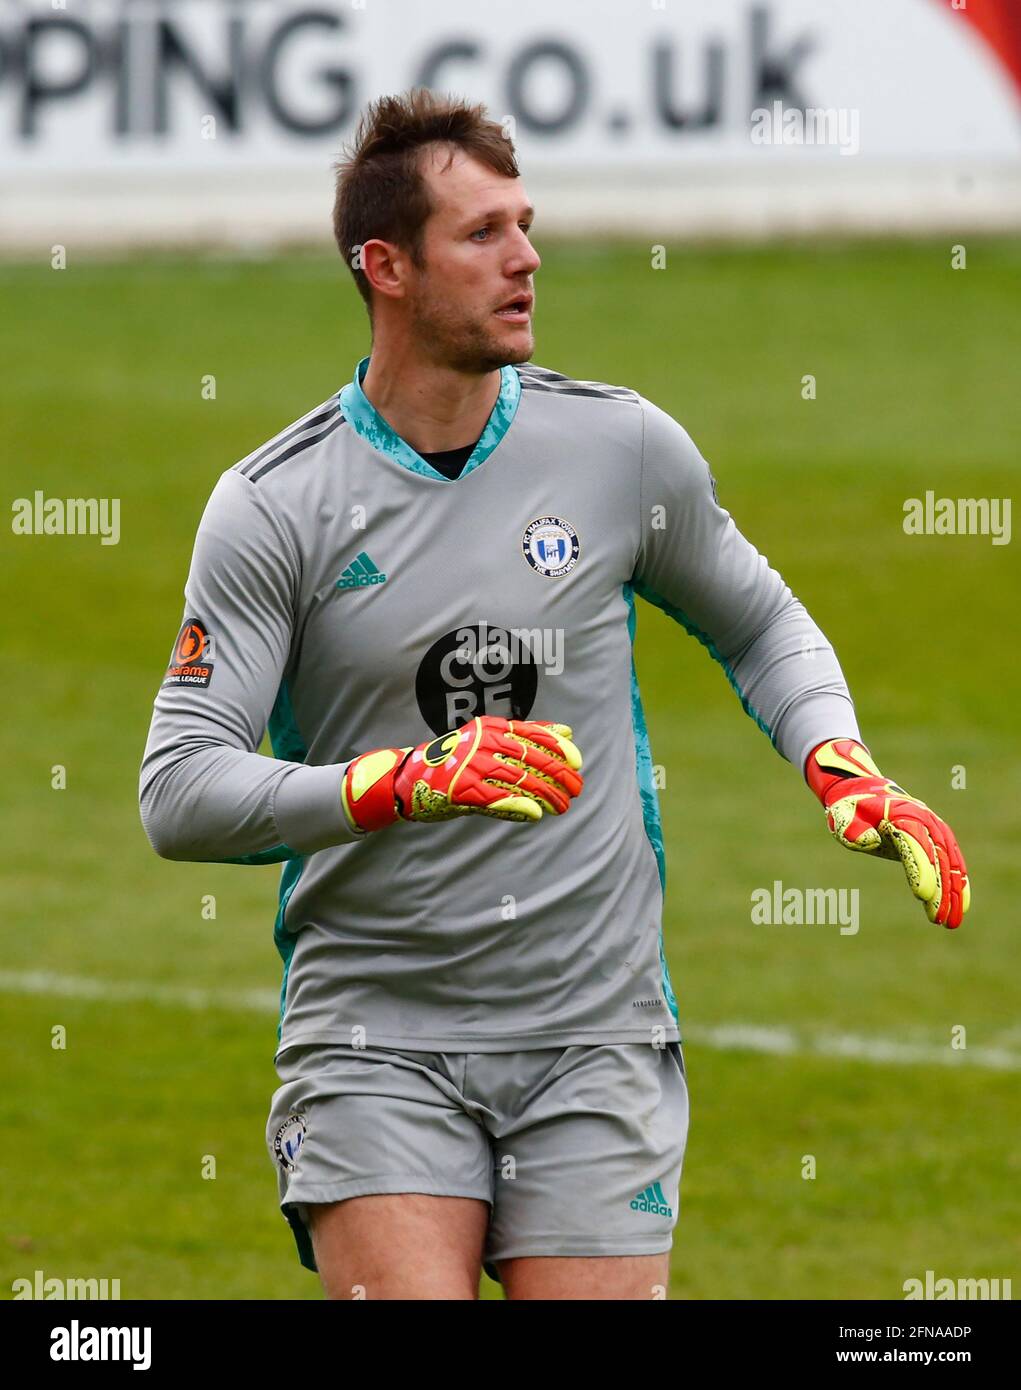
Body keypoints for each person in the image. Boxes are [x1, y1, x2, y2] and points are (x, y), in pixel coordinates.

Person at [139, 87, 969, 1301]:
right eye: (481, 233)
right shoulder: (275, 505)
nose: (527, 257)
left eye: (525, 224)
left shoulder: (619, 451)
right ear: (387, 267)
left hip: (596, 1037)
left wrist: (836, 760)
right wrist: (398, 784)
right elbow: (180, 789)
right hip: (376, 1040)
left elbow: (761, 621)